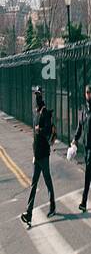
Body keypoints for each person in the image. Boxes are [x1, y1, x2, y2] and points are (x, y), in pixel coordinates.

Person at [21, 87, 56, 226]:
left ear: (42, 96)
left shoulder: (45, 112)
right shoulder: (35, 113)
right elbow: (34, 136)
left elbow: (47, 130)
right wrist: (33, 154)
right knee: (33, 185)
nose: (37, 97)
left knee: (47, 181)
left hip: (44, 155)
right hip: (37, 155)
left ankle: (52, 206)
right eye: (35, 94)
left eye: (38, 95)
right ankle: (29, 214)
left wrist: (39, 130)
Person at [72, 84, 91, 212]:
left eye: (90, 92)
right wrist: (75, 139)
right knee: (89, 168)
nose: (88, 94)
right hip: (85, 143)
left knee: (88, 168)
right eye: (87, 93)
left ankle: (84, 201)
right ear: (85, 94)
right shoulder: (83, 109)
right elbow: (80, 127)